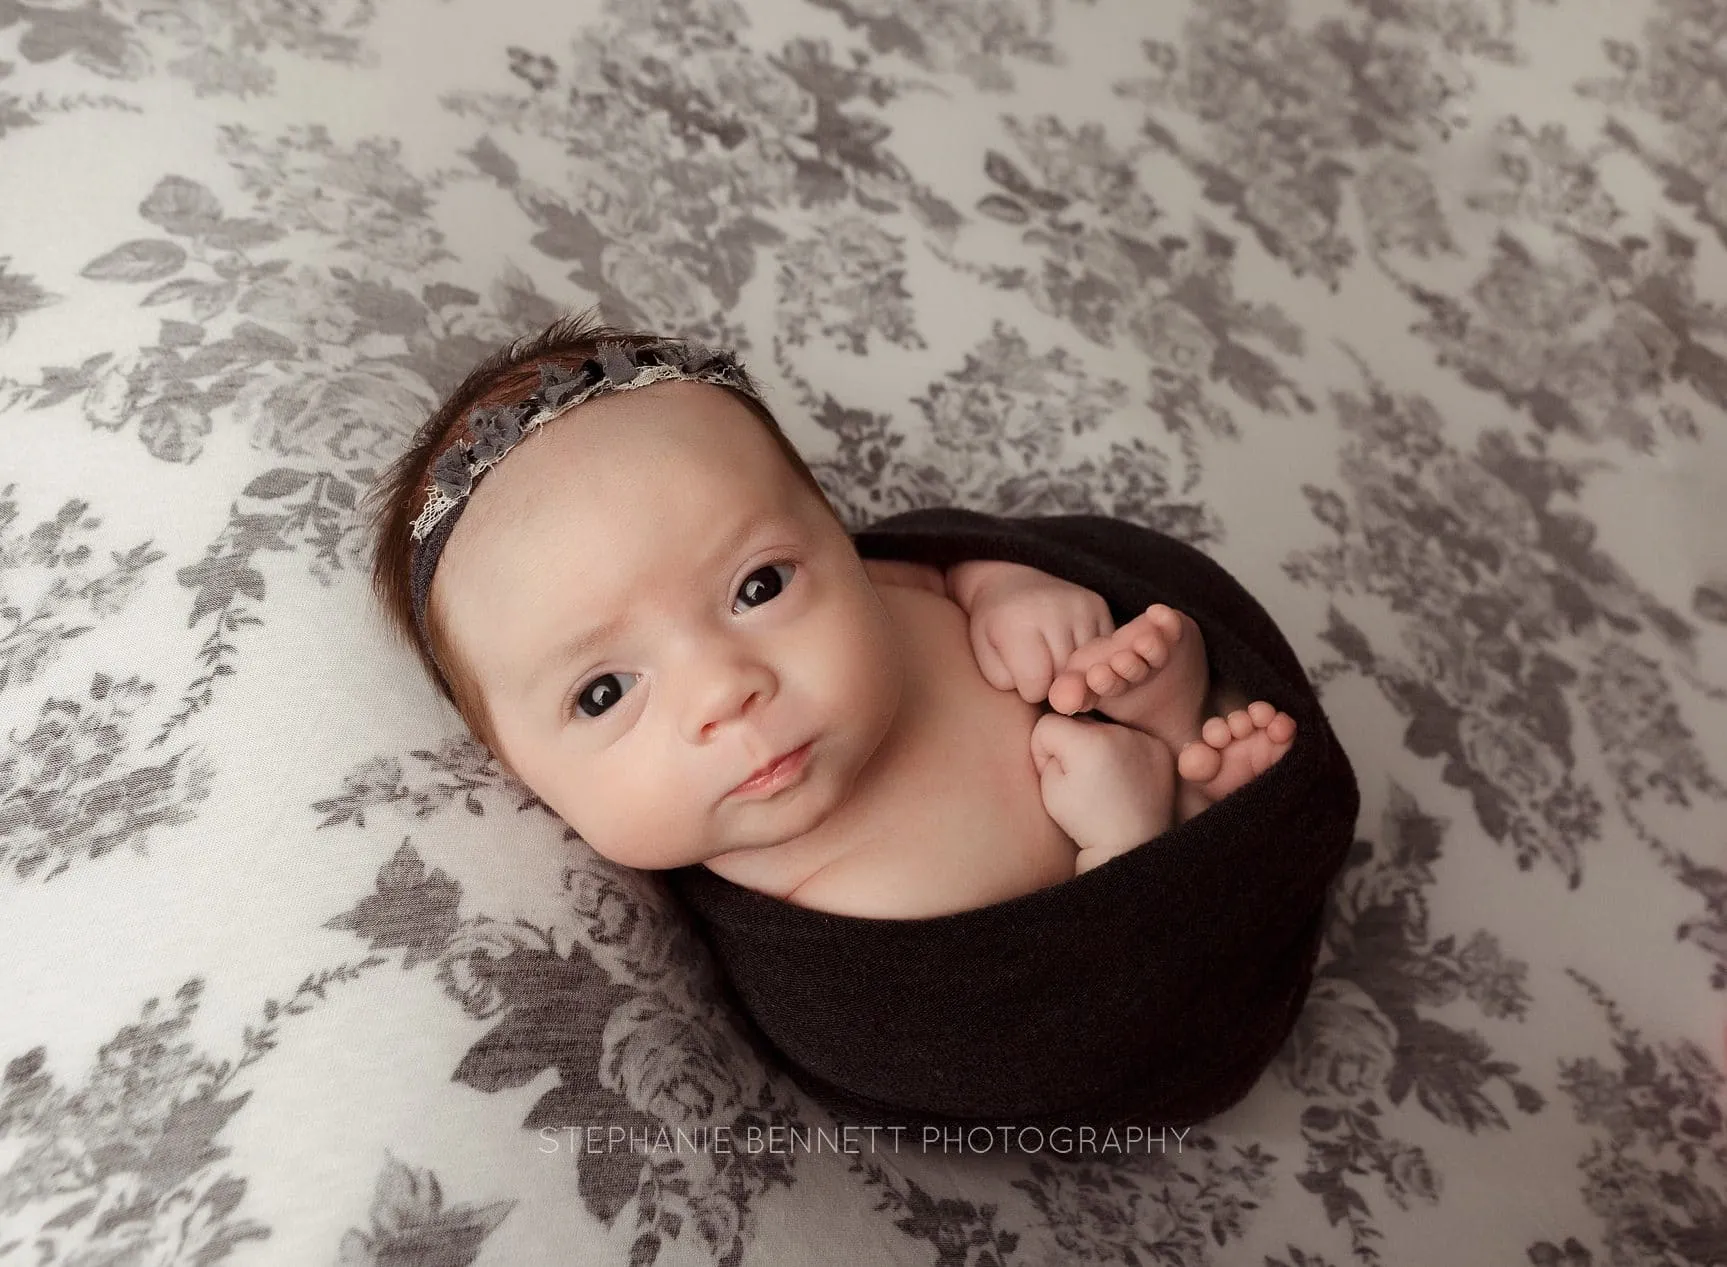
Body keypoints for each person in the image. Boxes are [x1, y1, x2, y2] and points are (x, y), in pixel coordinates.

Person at [364, 308, 1296, 920]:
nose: (726, 692)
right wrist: (1121, 845)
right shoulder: (817, 917)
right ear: (515, 767)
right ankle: (1169, 815)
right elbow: (1038, 1033)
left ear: (835, 535)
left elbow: (934, 557)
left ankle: (1172, 735)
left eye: (758, 587)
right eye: (605, 690)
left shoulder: (889, 585)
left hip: (1082, 708)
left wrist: (1001, 584)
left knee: (1150, 661)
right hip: (1106, 889)